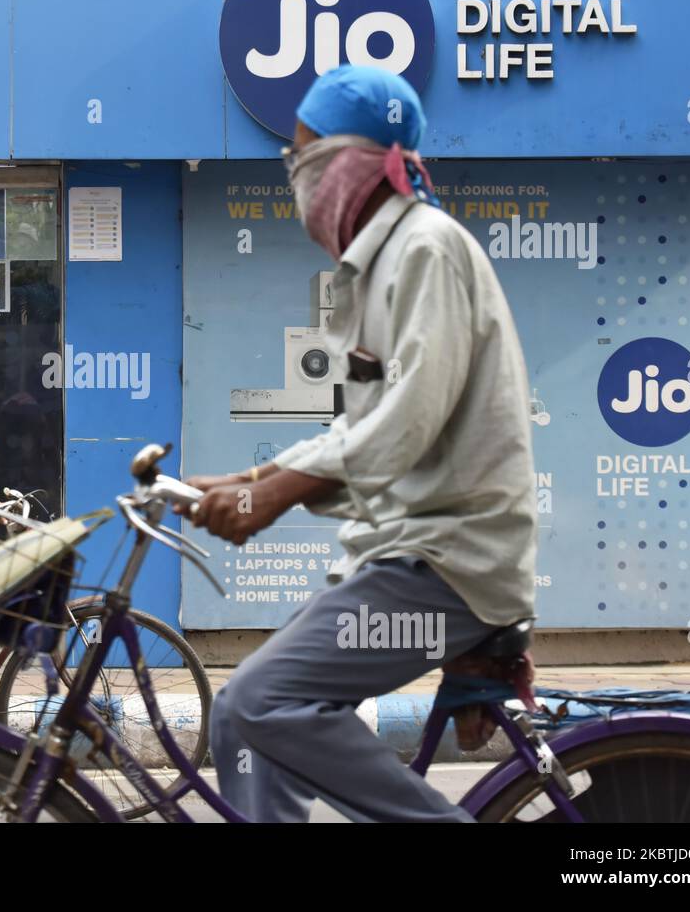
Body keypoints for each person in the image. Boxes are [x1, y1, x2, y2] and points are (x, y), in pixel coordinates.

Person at [186, 65, 538, 822]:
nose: (295, 174)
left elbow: (407, 422)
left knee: (257, 703)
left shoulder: (425, 248)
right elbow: (365, 434)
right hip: (402, 554)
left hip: (446, 562)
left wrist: (274, 493)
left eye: (307, 156)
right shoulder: (377, 266)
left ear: (361, 160)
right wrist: (259, 474)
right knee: (240, 724)